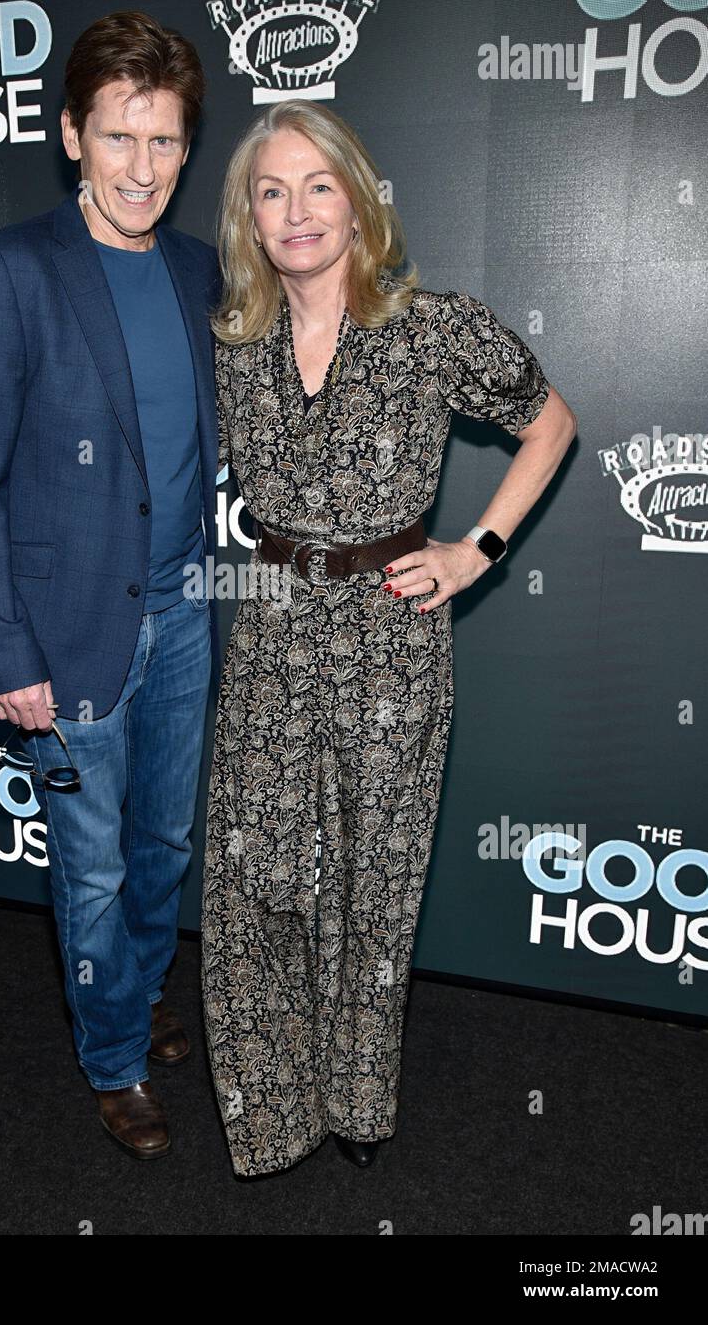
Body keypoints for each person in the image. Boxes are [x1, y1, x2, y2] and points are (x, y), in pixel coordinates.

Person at [201, 99, 577, 1177]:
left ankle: (357, 1104)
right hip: (271, 628)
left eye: (317, 185)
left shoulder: (429, 326)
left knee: (373, 876)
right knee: (257, 874)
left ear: (358, 205)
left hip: (389, 636)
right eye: (270, 192)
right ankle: (271, 1112)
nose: (296, 210)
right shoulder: (234, 341)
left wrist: (477, 549)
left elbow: (549, 421)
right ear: (250, 219)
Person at [0, 11, 222, 1161]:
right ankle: (109, 1060)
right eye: (117, 138)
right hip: (66, 635)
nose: (141, 167)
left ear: (185, 147)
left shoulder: (201, 269)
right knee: (91, 866)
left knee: (161, 843)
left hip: (185, 617)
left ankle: (138, 998)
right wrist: (6, 658)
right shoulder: (6, 269)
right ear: (70, 136)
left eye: (162, 141)